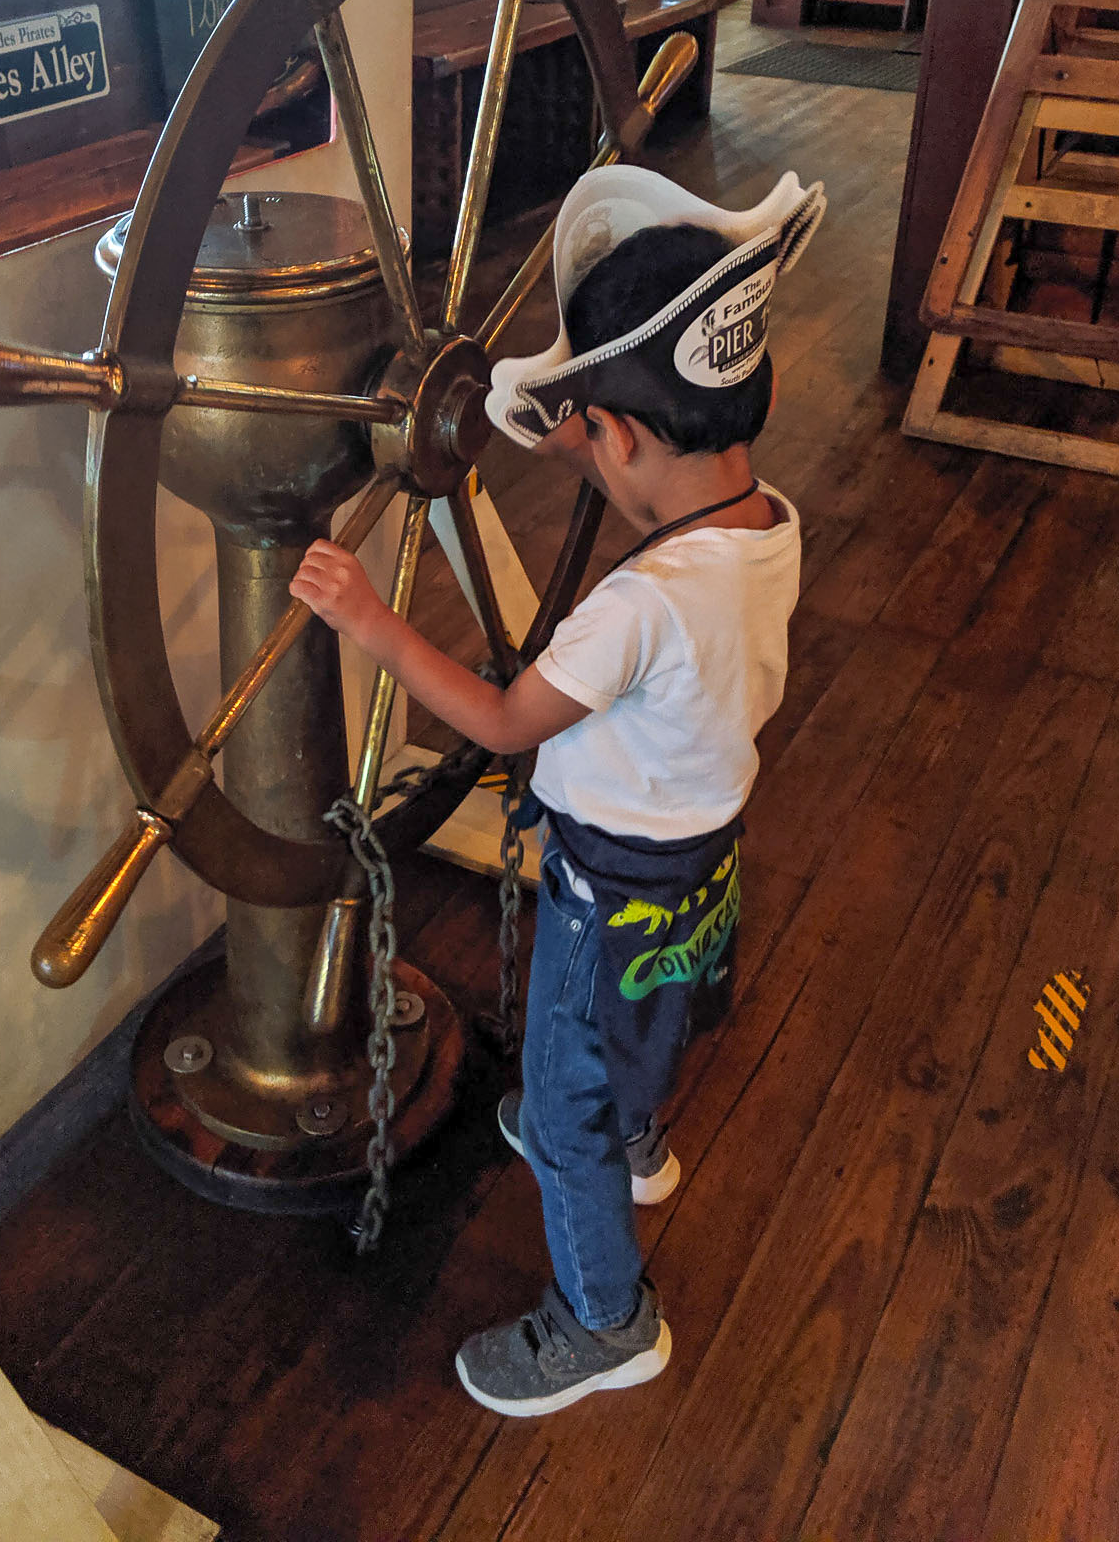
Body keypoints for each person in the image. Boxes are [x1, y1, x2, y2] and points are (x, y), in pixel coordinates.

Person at [290, 162, 825, 1418]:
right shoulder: (772, 524)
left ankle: (605, 1319)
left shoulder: (637, 607)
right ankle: (637, 1137)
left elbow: (496, 718)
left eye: (581, 430)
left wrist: (368, 618)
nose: (577, 449)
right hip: (700, 863)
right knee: (654, 1011)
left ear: (626, 436)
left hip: (603, 890)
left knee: (566, 1107)